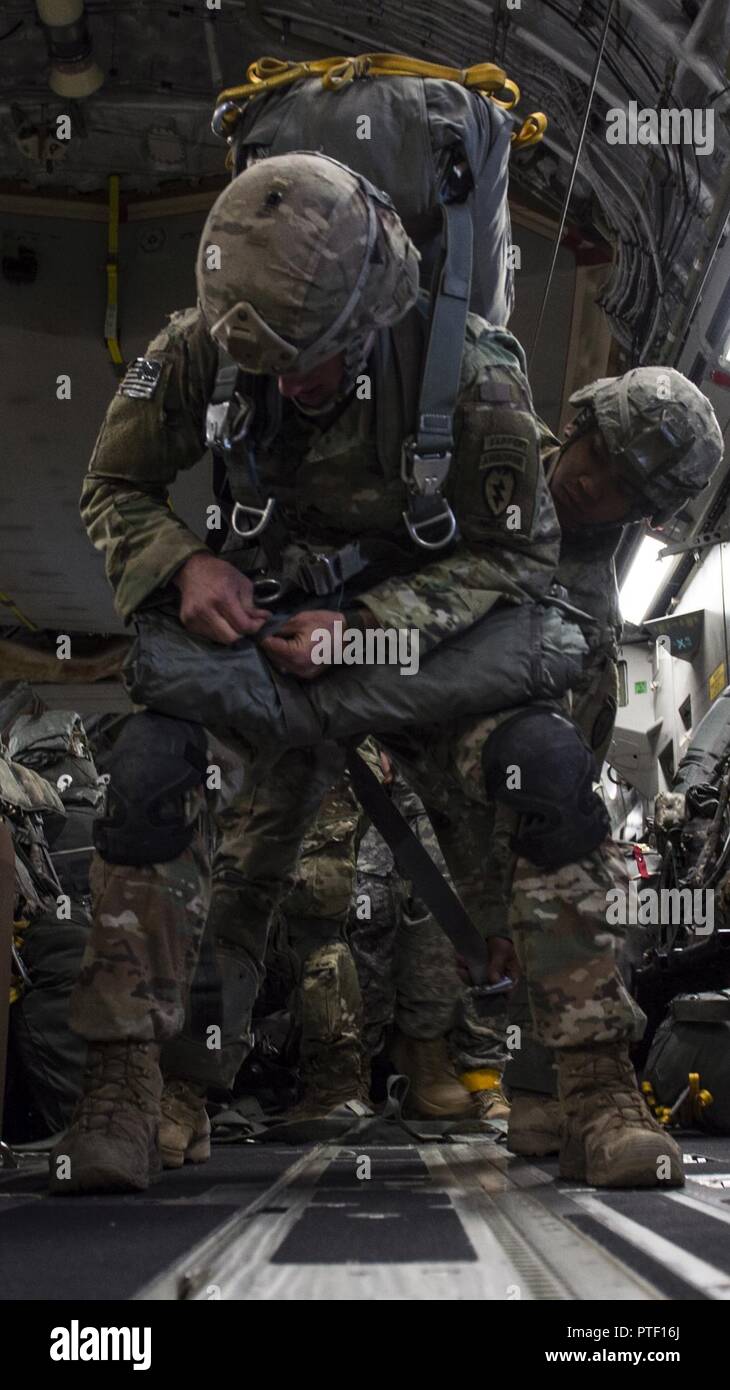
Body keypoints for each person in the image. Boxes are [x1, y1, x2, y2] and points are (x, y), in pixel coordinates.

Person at [51, 152, 720, 1195]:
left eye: (316, 360)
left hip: (424, 652)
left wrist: (366, 625)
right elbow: (114, 484)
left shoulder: (476, 371)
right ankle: (144, 1087)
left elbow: (511, 554)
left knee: (544, 776)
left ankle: (588, 1087)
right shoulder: (205, 346)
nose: (293, 383)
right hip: (265, 653)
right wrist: (185, 561)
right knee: (164, 791)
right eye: (270, 363)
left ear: (379, 311)